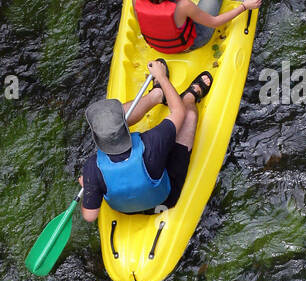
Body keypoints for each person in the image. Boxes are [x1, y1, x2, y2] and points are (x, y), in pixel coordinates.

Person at [80, 61, 212, 221]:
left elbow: (90, 216)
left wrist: (89, 186)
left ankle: (157, 95)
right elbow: (179, 112)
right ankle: (190, 97)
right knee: (188, 115)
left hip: (127, 211)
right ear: (126, 127)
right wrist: (161, 77)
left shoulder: (92, 167)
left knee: (110, 119)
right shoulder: (153, 141)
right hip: (165, 199)